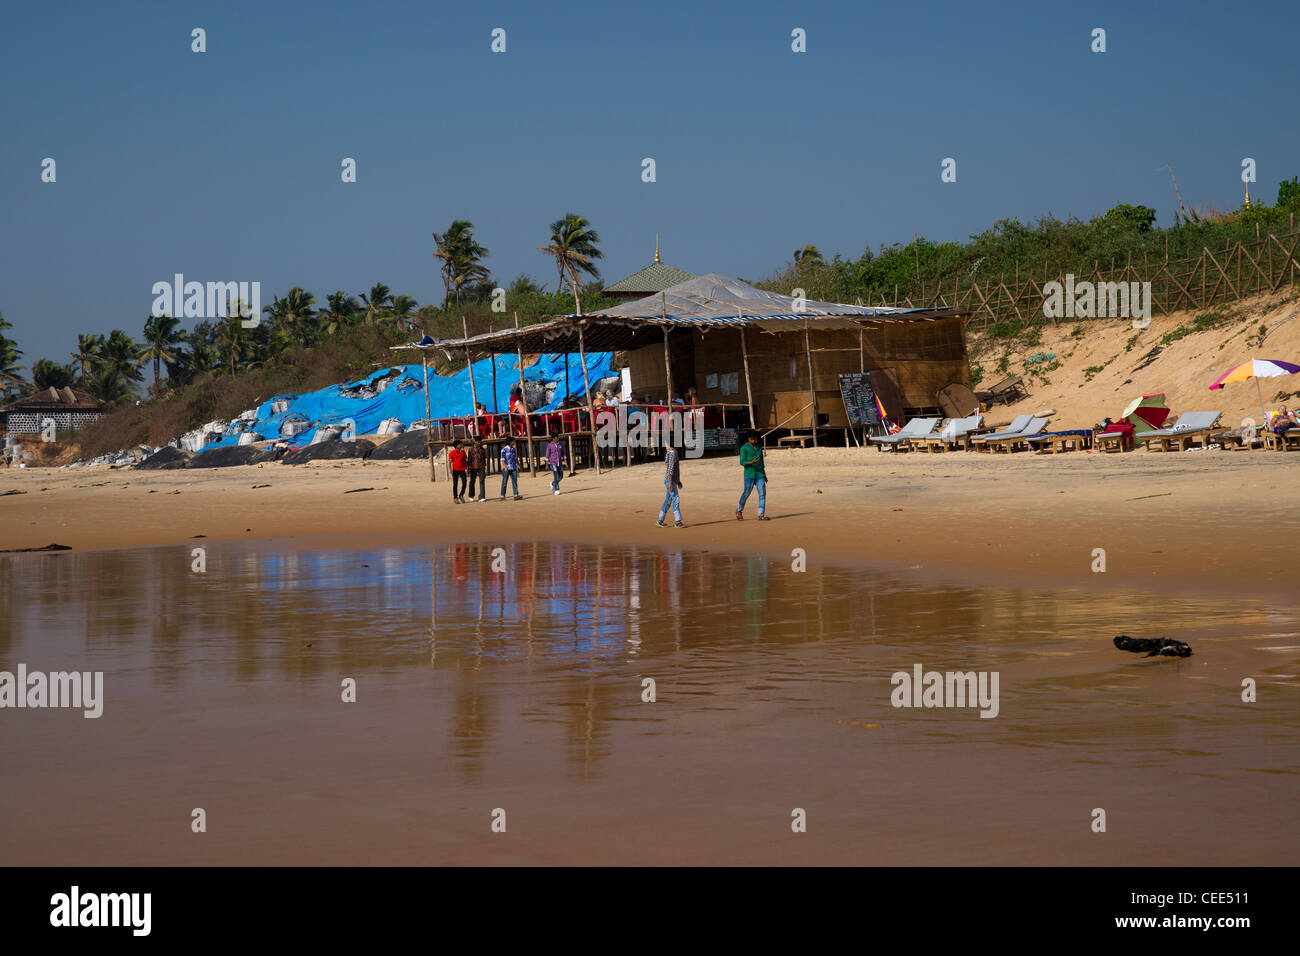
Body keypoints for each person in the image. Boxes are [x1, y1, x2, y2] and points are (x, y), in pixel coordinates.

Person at [736, 431, 769, 521]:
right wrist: (751, 462)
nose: (754, 441)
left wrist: (764, 474)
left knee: (762, 494)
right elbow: (742, 461)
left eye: (755, 439)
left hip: (760, 474)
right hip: (749, 474)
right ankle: (739, 511)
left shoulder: (759, 447)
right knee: (746, 493)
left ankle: (761, 515)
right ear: (748, 439)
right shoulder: (744, 448)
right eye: (752, 439)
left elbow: (762, 462)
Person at [657, 444, 683, 528]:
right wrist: (671, 483)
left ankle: (660, 520)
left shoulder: (672, 452)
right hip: (670, 481)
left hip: (671, 480)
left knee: (668, 501)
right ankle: (678, 522)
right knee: (676, 499)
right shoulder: (672, 453)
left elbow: (674, 469)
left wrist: (678, 481)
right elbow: (670, 470)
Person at [466, 436, 487, 501]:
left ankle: (482, 497)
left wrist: (485, 468)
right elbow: (469, 460)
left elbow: (484, 459)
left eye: (480, 441)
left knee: (482, 481)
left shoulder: (483, 449)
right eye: (478, 442)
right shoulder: (470, 449)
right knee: (472, 481)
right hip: (473, 467)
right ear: (475, 442)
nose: (479, 443)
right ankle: (471, 495)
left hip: (481, 467)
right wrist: (468, 469)